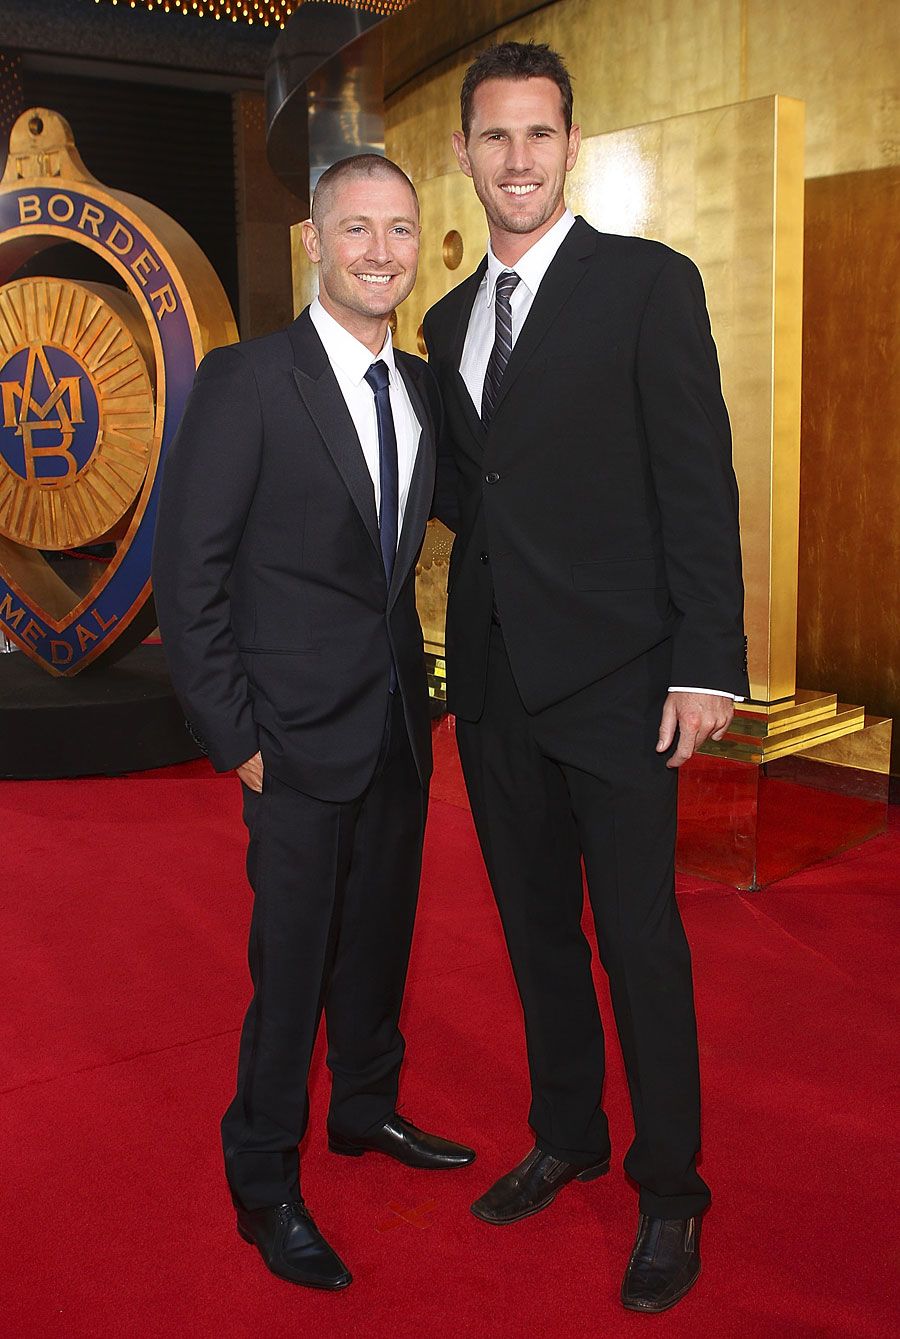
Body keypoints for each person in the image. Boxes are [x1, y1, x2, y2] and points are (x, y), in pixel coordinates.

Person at [423, 42, 748, 1314]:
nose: (516, 160)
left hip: (621, 683)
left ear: (571, 144)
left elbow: (696, 483)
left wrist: (706, 662)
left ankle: (671, 1190)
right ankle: (568, 1130)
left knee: (641, 942)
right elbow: (466, 492)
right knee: (535, 935)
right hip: (497, 686)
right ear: (464, 154)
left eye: (538, 136)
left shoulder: (648, 285)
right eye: (494, 138)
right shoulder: (447, 323)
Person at [153, 153, 474, 1294]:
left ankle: (367, 1111)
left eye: (399, 229)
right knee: (289, 968)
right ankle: (264, 1177)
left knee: (379, 942)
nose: (380, 251)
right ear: (312, 240)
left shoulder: (428, 389)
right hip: (284, 741)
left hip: (395, 728)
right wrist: (234, 735)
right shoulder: (248, 381)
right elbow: (184, 572)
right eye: (356, 230)